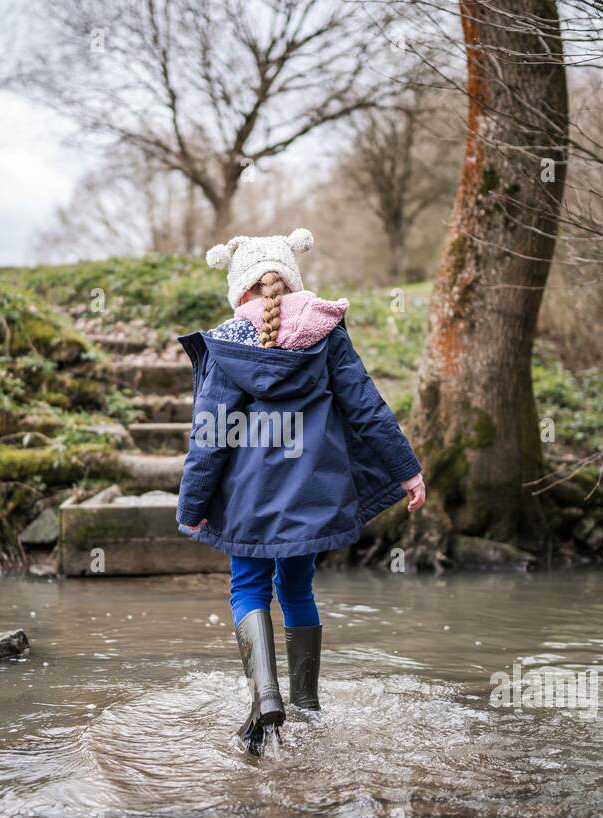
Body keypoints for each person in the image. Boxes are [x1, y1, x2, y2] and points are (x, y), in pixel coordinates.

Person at [176, 228, 426, 754]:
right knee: (296, 591)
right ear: (290, 280)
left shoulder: (224, 344)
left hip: (245, 500)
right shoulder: (326, 332)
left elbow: (209, 434)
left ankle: (266, 696)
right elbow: (367, 407)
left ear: (239, 292)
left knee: (248, 588)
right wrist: (407, 471)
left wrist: (192, 506)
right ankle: (307, 706)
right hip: (312, 494)